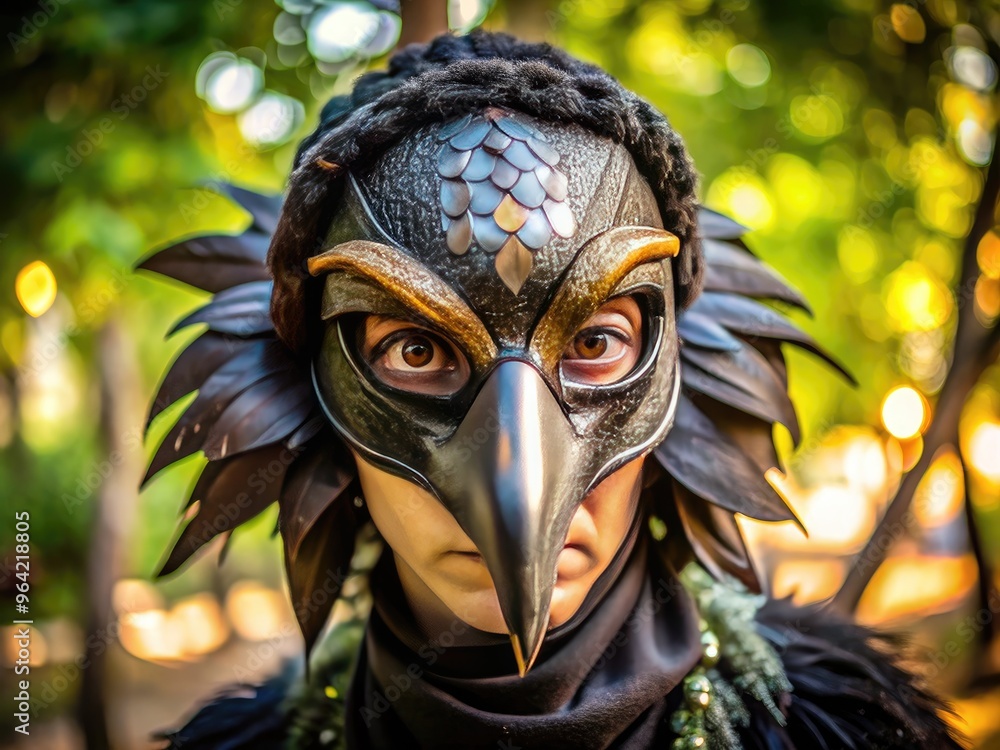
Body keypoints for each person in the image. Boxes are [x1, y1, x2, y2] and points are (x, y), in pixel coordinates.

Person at [143, 31, 962, 750]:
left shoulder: (850, 731)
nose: (518, 480)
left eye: (597, 343)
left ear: (675, 359)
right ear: (311, 381)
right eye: (417, 349)